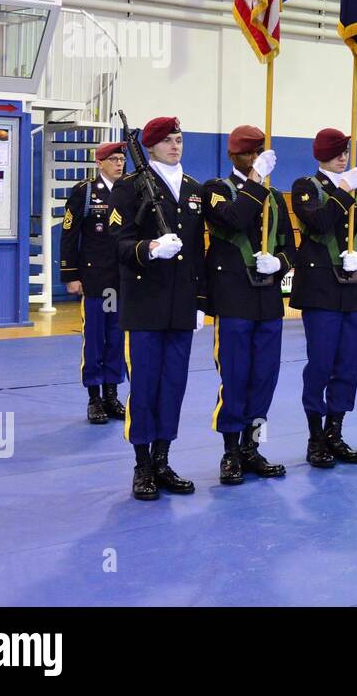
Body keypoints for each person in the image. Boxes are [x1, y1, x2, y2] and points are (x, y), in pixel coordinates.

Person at [113, 116, 206, 500]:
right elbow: (118, 243)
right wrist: (149, 248)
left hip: (181, 305)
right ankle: (142, 465)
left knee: (173, 386)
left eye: (179, 139)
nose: (175, 146)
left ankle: (163, 459)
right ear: (150, 146)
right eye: (167, 140)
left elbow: (198, 252)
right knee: (145, 386)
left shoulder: (194, 189)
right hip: (145, 304)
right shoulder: (129, 187)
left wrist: (200, 302)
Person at [202, 125, 293, 485]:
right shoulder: (215, 190)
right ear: (232, 155)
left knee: (264, 378)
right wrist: (255, 180)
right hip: (233, 297)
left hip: (268, 299)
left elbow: (290, 246)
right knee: (235, 376)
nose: (254, 158)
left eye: (258, 152)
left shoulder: (274, 197)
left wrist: (279, 263)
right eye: (247, 153)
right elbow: (235, 218)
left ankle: (252, 448)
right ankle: (230, 452)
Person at [290, 128, 357, 468]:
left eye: (345, 151)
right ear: (320, 154)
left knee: (347, 366)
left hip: (353, 292)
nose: (342, 157)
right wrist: (343, 191)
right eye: (336, 151)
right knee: (320, 365)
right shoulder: (306, 187)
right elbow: (320, 223)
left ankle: (335, 432)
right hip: (320, 290)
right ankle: (315, 438)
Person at [60, 141, 128, 424]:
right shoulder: (86, 192)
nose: (119, 164)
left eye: (121, 159)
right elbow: (69, 234)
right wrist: (70, 274)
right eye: (113, 159)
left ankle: (112, 394)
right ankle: (94, 398)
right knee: (95, 338)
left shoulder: (129, 190)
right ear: (99, 163)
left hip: (121, 280)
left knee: (116, 338)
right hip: (96, 278)